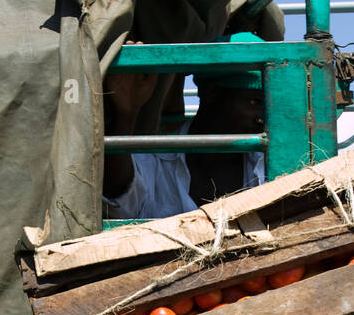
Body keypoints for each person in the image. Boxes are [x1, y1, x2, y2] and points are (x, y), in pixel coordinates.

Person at [103, 33, 268, 221]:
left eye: (268, 106)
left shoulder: (268, 167)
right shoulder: (155, 158)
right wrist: (127, 111)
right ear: (211, 92)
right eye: (254, 102)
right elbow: (118, 205)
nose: (262, 118)